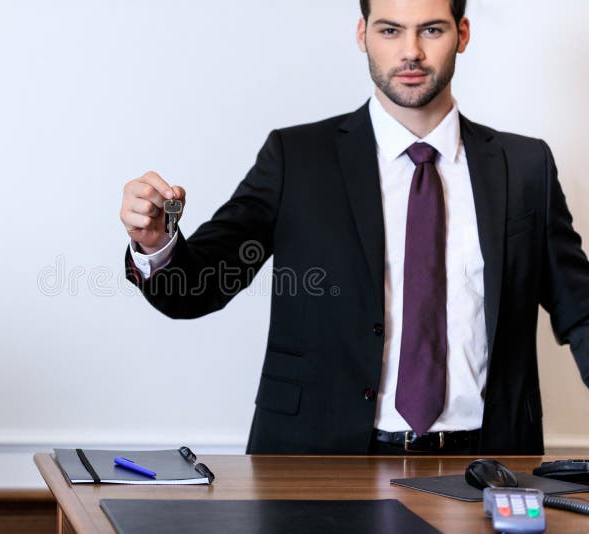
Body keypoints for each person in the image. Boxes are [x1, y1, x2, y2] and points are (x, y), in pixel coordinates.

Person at [118, 0, 589, 454]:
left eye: (431, 29)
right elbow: (201, 287)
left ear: (461, 35)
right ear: (362, 35)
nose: (411, 52)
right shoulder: (296, 159)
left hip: (486, 464)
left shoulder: (526, 167)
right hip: (322, 461)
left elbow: (581, 311)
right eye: (390, 30)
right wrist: (157, 244)